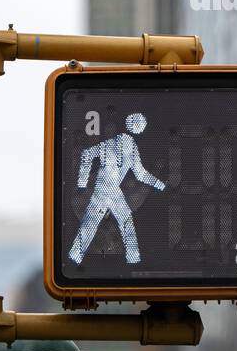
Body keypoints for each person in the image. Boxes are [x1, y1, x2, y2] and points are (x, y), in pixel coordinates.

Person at [68, 112, 165, 266]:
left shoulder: (131, 148)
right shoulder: (109, 145)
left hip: (112, 191)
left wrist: (159, 184)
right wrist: (82, 183)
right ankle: (76, 257)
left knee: (121, 224)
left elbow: (140, 173)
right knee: (95, 225)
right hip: (103, 190)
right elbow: (87, 154)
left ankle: (132, 261)